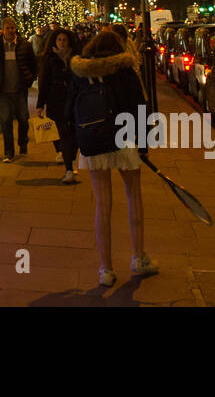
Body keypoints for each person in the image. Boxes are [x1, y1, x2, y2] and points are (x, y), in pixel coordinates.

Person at [70, 31, 157, 286]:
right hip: (125, 139)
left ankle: (105, 269)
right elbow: (140, 107)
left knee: (102, 204)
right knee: (134, 197)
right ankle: (138, 256)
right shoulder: (125, 70)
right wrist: (144, 144)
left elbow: (69, 109)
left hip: (94, 141)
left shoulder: (82, 72)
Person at [0, 17, 38, 162]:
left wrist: (30, 79)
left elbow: (33, 64)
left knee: (23, 118)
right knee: (6, 120)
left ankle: (23, 142)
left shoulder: (24, 45)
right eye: (8, 28)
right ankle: (8, 152)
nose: (11, 31)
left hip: (20, 88)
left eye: (12, 28)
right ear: (2, 30)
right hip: (3, 90)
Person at [36, 28, 78, 184]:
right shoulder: (49, 59)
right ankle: (69, 169)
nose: (61, 43)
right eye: (59, 40)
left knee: (74, 135)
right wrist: (40, 104)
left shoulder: (75, 58)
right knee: (64, 134)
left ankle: (71, 159)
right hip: (56, 100)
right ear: (55, 41)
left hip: (73, 100)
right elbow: (44, 82)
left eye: (64, 40)